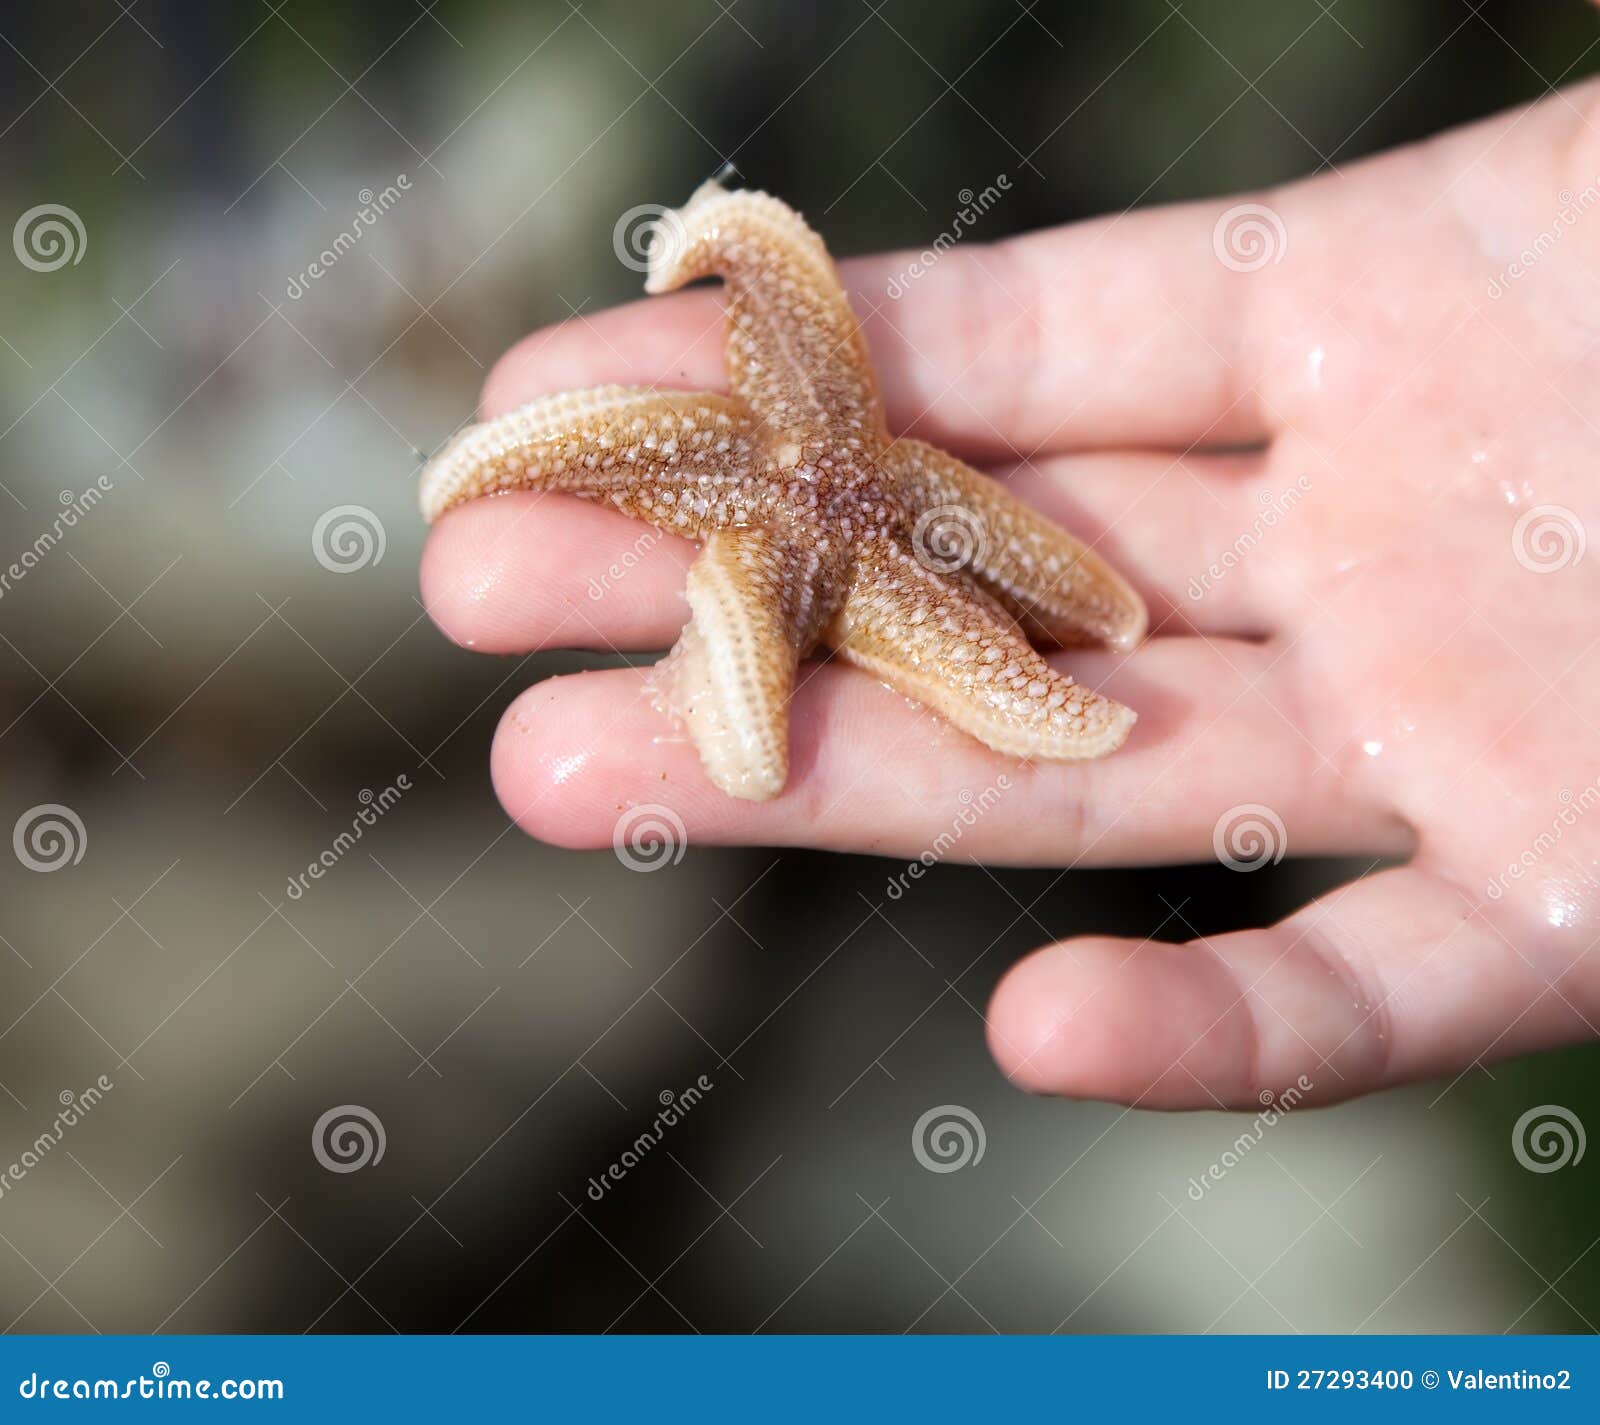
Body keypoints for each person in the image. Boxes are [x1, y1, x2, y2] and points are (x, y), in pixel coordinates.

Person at [419, 82, 1600, 1111]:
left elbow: (756, 249)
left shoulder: (858, 484)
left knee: (1023, 655)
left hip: (862, 522)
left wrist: (1090, 622)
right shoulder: (795, 472)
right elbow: (751, 257)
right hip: (830, 518)